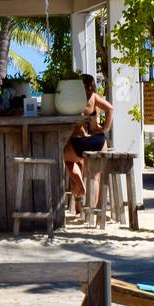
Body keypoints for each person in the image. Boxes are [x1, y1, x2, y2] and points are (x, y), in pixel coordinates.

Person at [63, 74, 114, 218]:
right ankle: (90, 215)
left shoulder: (72, 100)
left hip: (79, 142)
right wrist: (104, 129)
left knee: (65, 158)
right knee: (95, 177)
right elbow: (110, 109)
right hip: (97, 141)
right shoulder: (94, 97)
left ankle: (80, 186)